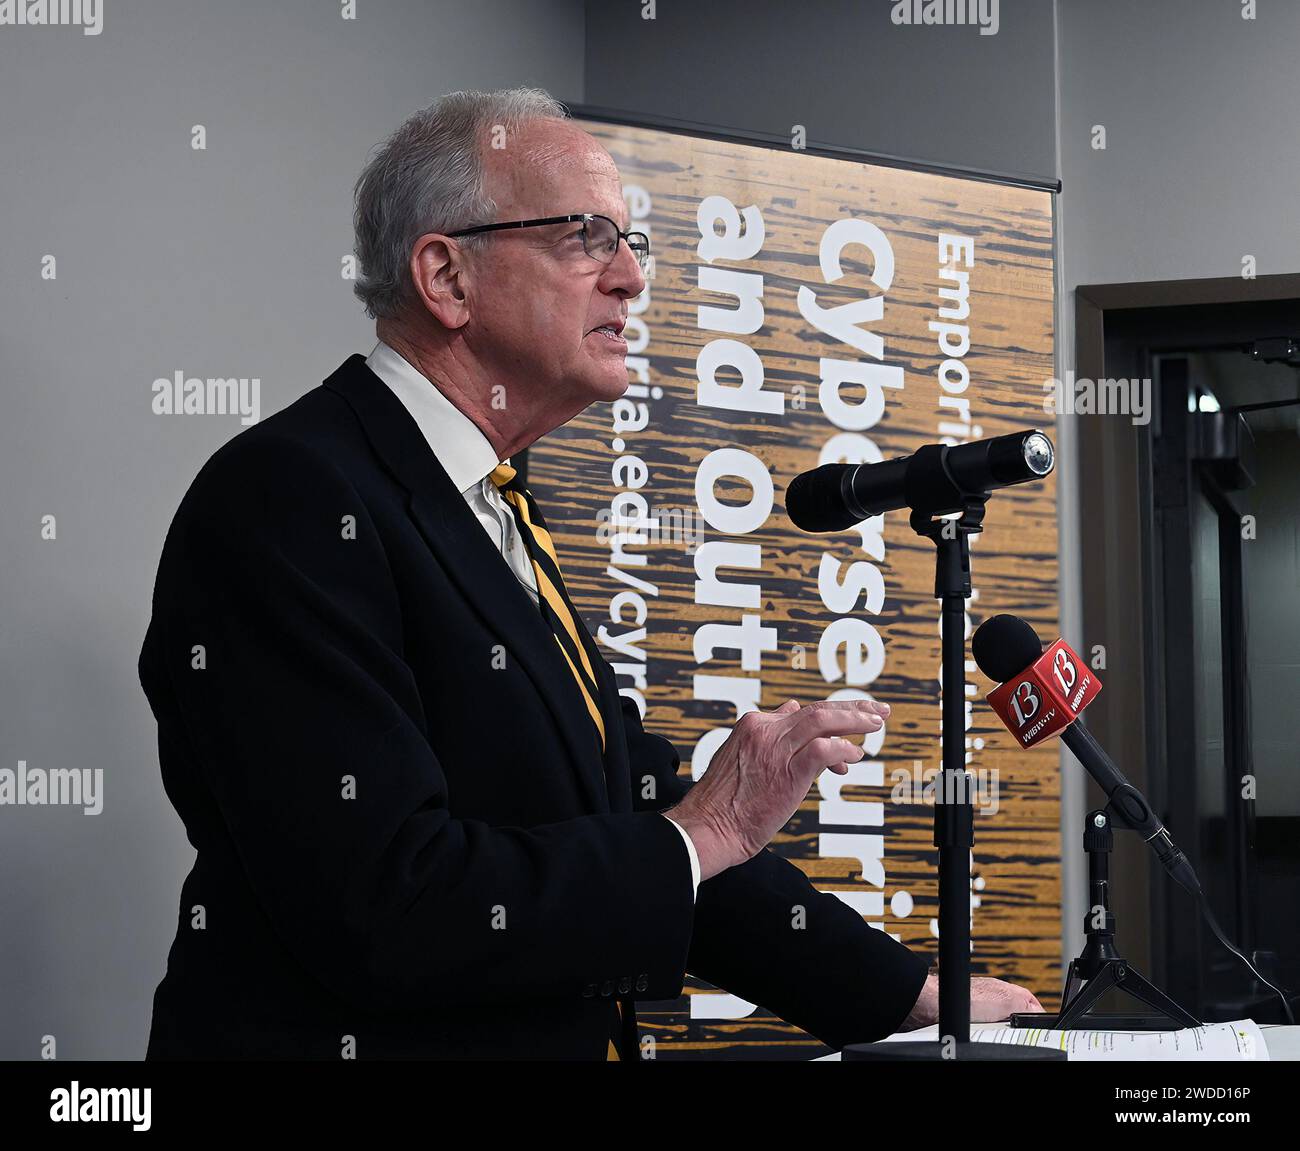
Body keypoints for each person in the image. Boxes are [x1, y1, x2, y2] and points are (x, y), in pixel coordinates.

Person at [138, 86, 1041, 1060]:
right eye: (584, 237)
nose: (630, 279)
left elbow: (632, 813)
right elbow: (388, 897)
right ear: (446, 277)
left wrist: (904, 991)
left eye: (631, 243)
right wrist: (700, 829)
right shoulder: (292, 499)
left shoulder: (493, 498)